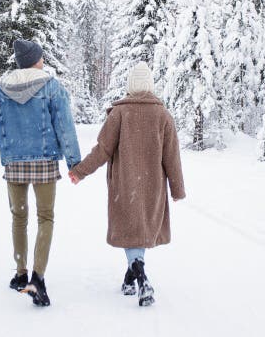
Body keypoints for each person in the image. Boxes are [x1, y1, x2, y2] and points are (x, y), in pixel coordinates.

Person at [68, 61, 185, 307]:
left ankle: (140, 277)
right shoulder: (163, 115)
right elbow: (172, 156)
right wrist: (176, 189)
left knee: (131, 232)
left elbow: (103, 150)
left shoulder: (120, 113)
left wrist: (80, 171)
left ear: (131, 86)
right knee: (139, 233)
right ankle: (131, 277)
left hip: (124, 184)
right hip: (152, 187)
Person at [0, 39, 81, 307]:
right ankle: (38, 277)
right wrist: (74, 163)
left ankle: (20, 274)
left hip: (14, 163)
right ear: (36, 60)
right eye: (41, 57)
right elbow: (65, 127)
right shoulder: (52, 87)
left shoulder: (1, 90)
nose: (43, 61)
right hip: (44, 162)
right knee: (45, 217)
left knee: (18, 218)